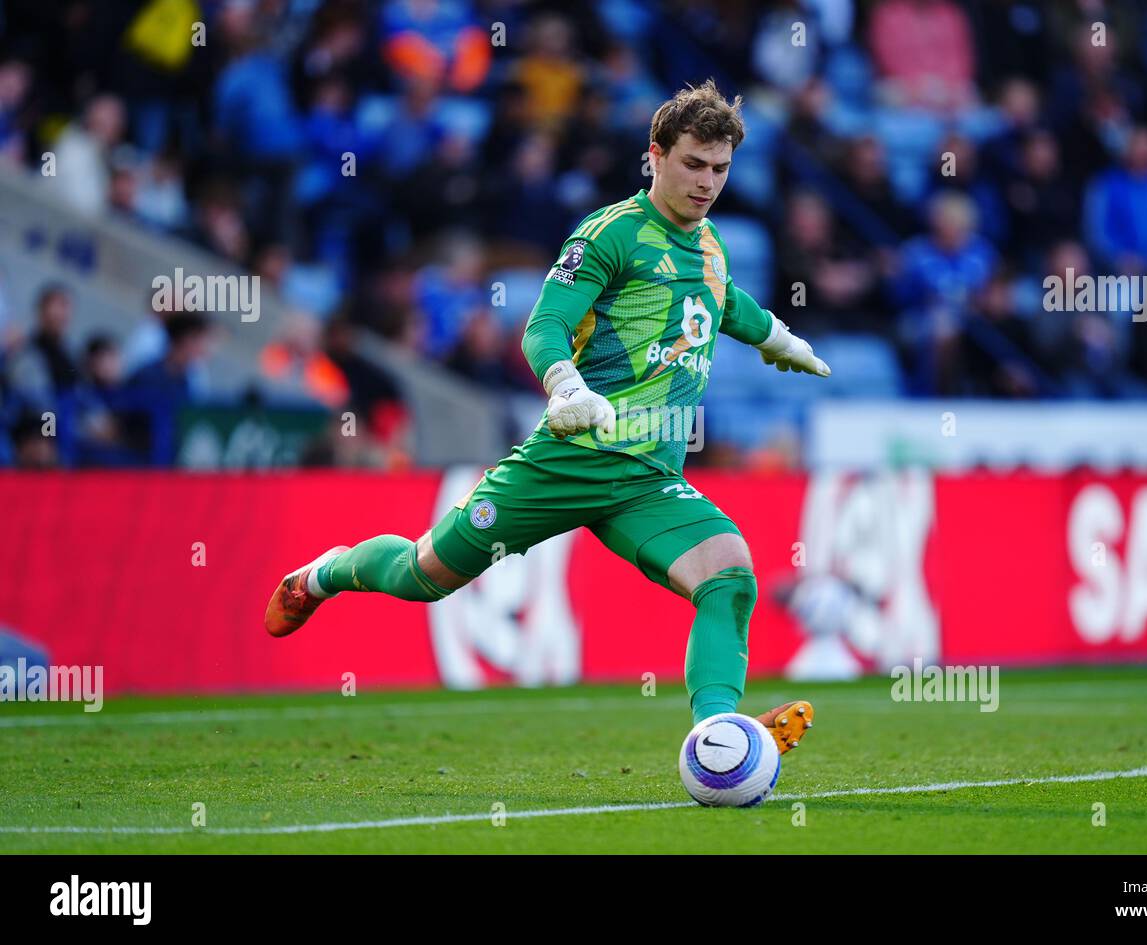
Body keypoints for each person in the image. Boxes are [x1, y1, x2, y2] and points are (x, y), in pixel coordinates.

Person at [264, 81, 828, 751]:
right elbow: (544, 325)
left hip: (647, 477)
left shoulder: (708, 243)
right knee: (425, 575)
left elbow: (724, 299)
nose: (707, 182)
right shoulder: (610, 234)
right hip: (569, 457)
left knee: (730, 575)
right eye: (693, 164)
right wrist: (565, 386)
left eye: (720, 169)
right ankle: (324, 572)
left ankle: (718, 735)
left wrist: (779, 340)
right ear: (655, 156)